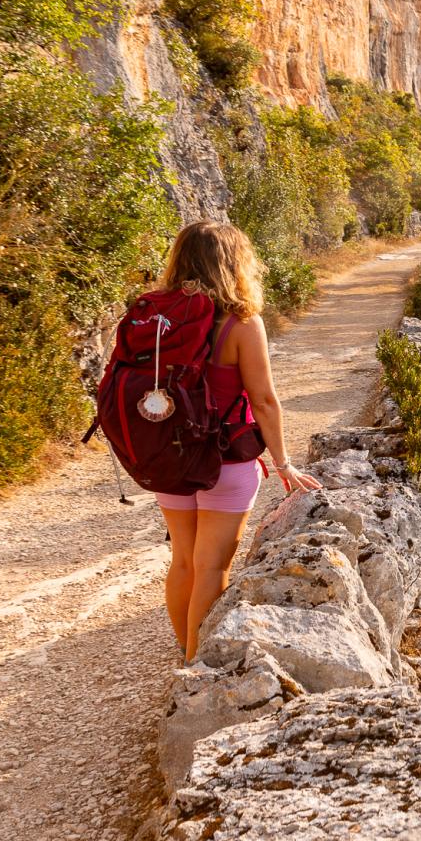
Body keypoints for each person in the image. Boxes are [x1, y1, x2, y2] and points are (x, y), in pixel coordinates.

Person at [151, 221, 321, 661]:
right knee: (211, 566)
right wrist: (283, 463)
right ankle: (196, 666)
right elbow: (263, 400)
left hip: (168, 457)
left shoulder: (157, 319)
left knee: (183, 561)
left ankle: (185, 651)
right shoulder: (241, 324)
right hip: (224, 461)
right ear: (234, 263)